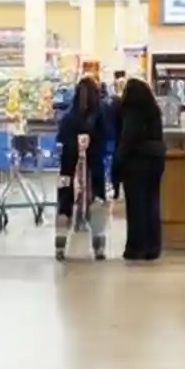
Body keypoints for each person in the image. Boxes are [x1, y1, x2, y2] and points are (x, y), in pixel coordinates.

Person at [56, 77, 109, 261]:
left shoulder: (69, 115)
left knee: (64, 198)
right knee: (98, 200)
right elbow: (106, 137)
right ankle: (99, 246)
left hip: (67, 166)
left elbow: (60, 137)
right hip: (95, 166)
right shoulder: (101, 114)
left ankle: (60, 244)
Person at [114, 78, 167, 261]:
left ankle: (137, 246)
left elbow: (128, 138)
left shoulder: (132, 110)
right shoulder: (154, 110)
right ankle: (153, 246)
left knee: (136, 206)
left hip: (137, 162)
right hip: (156, 160)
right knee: (152, 203)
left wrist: (118, 161)